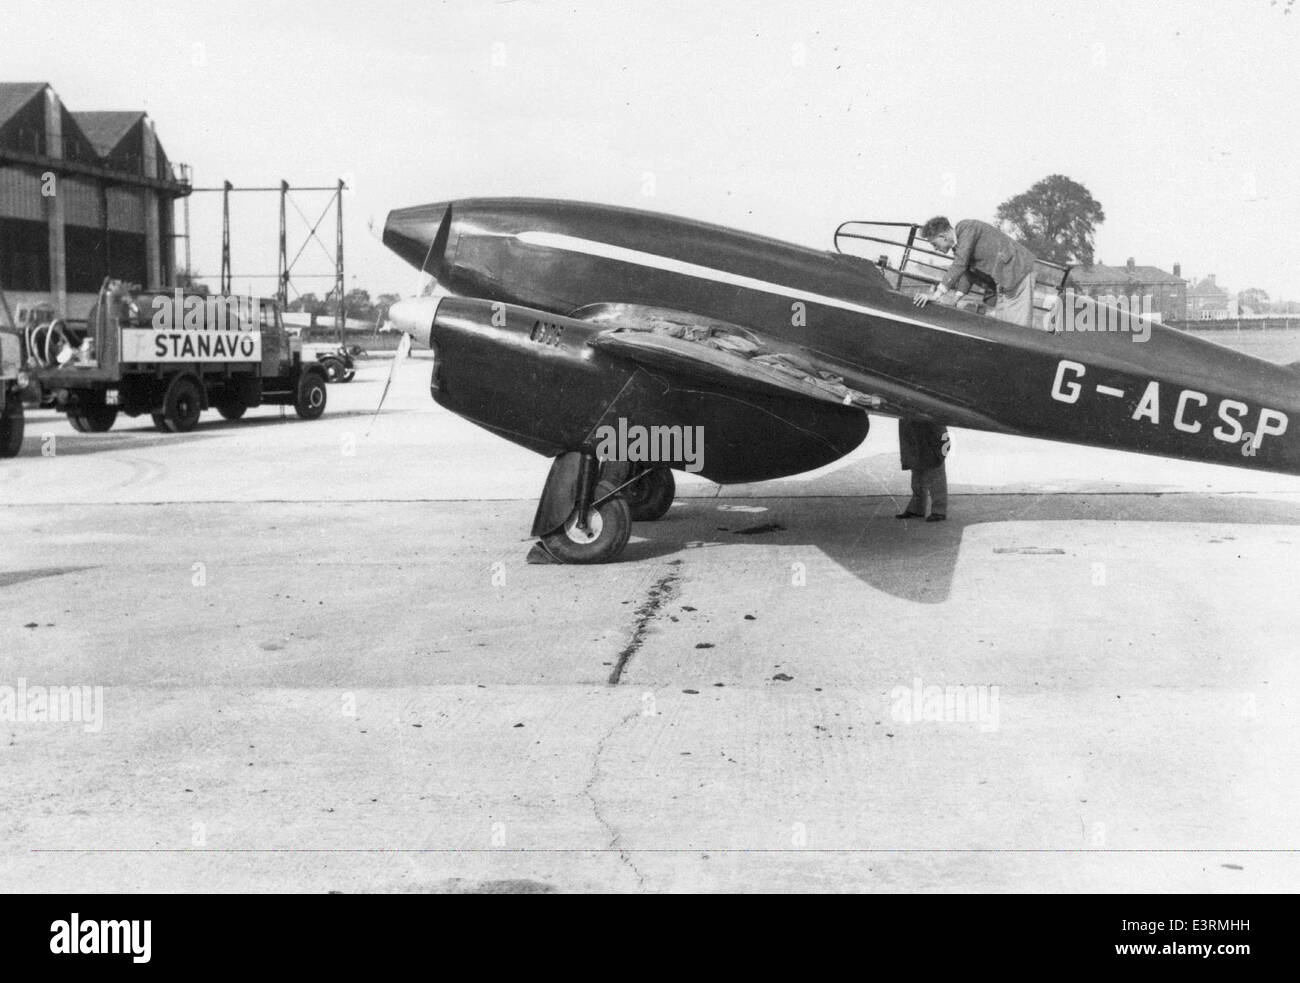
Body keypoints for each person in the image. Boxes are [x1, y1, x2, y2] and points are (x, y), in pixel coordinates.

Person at [912, 216, 1037, 327]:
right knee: (1004, 325)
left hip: (1018, 273)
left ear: (942, 237)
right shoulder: (961, 246)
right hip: (1006, 279)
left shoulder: (966, 228)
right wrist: (955, 299)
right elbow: (967, 272)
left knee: (1018, 328)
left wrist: (935, 295)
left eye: (934, 244)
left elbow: (960, 265)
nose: (935, 249)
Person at [896, 418, 950, 522]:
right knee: (916, 468)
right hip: (912, 422)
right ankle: (917, 508)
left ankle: (939, 511)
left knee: (935, 467)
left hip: (930, 420)